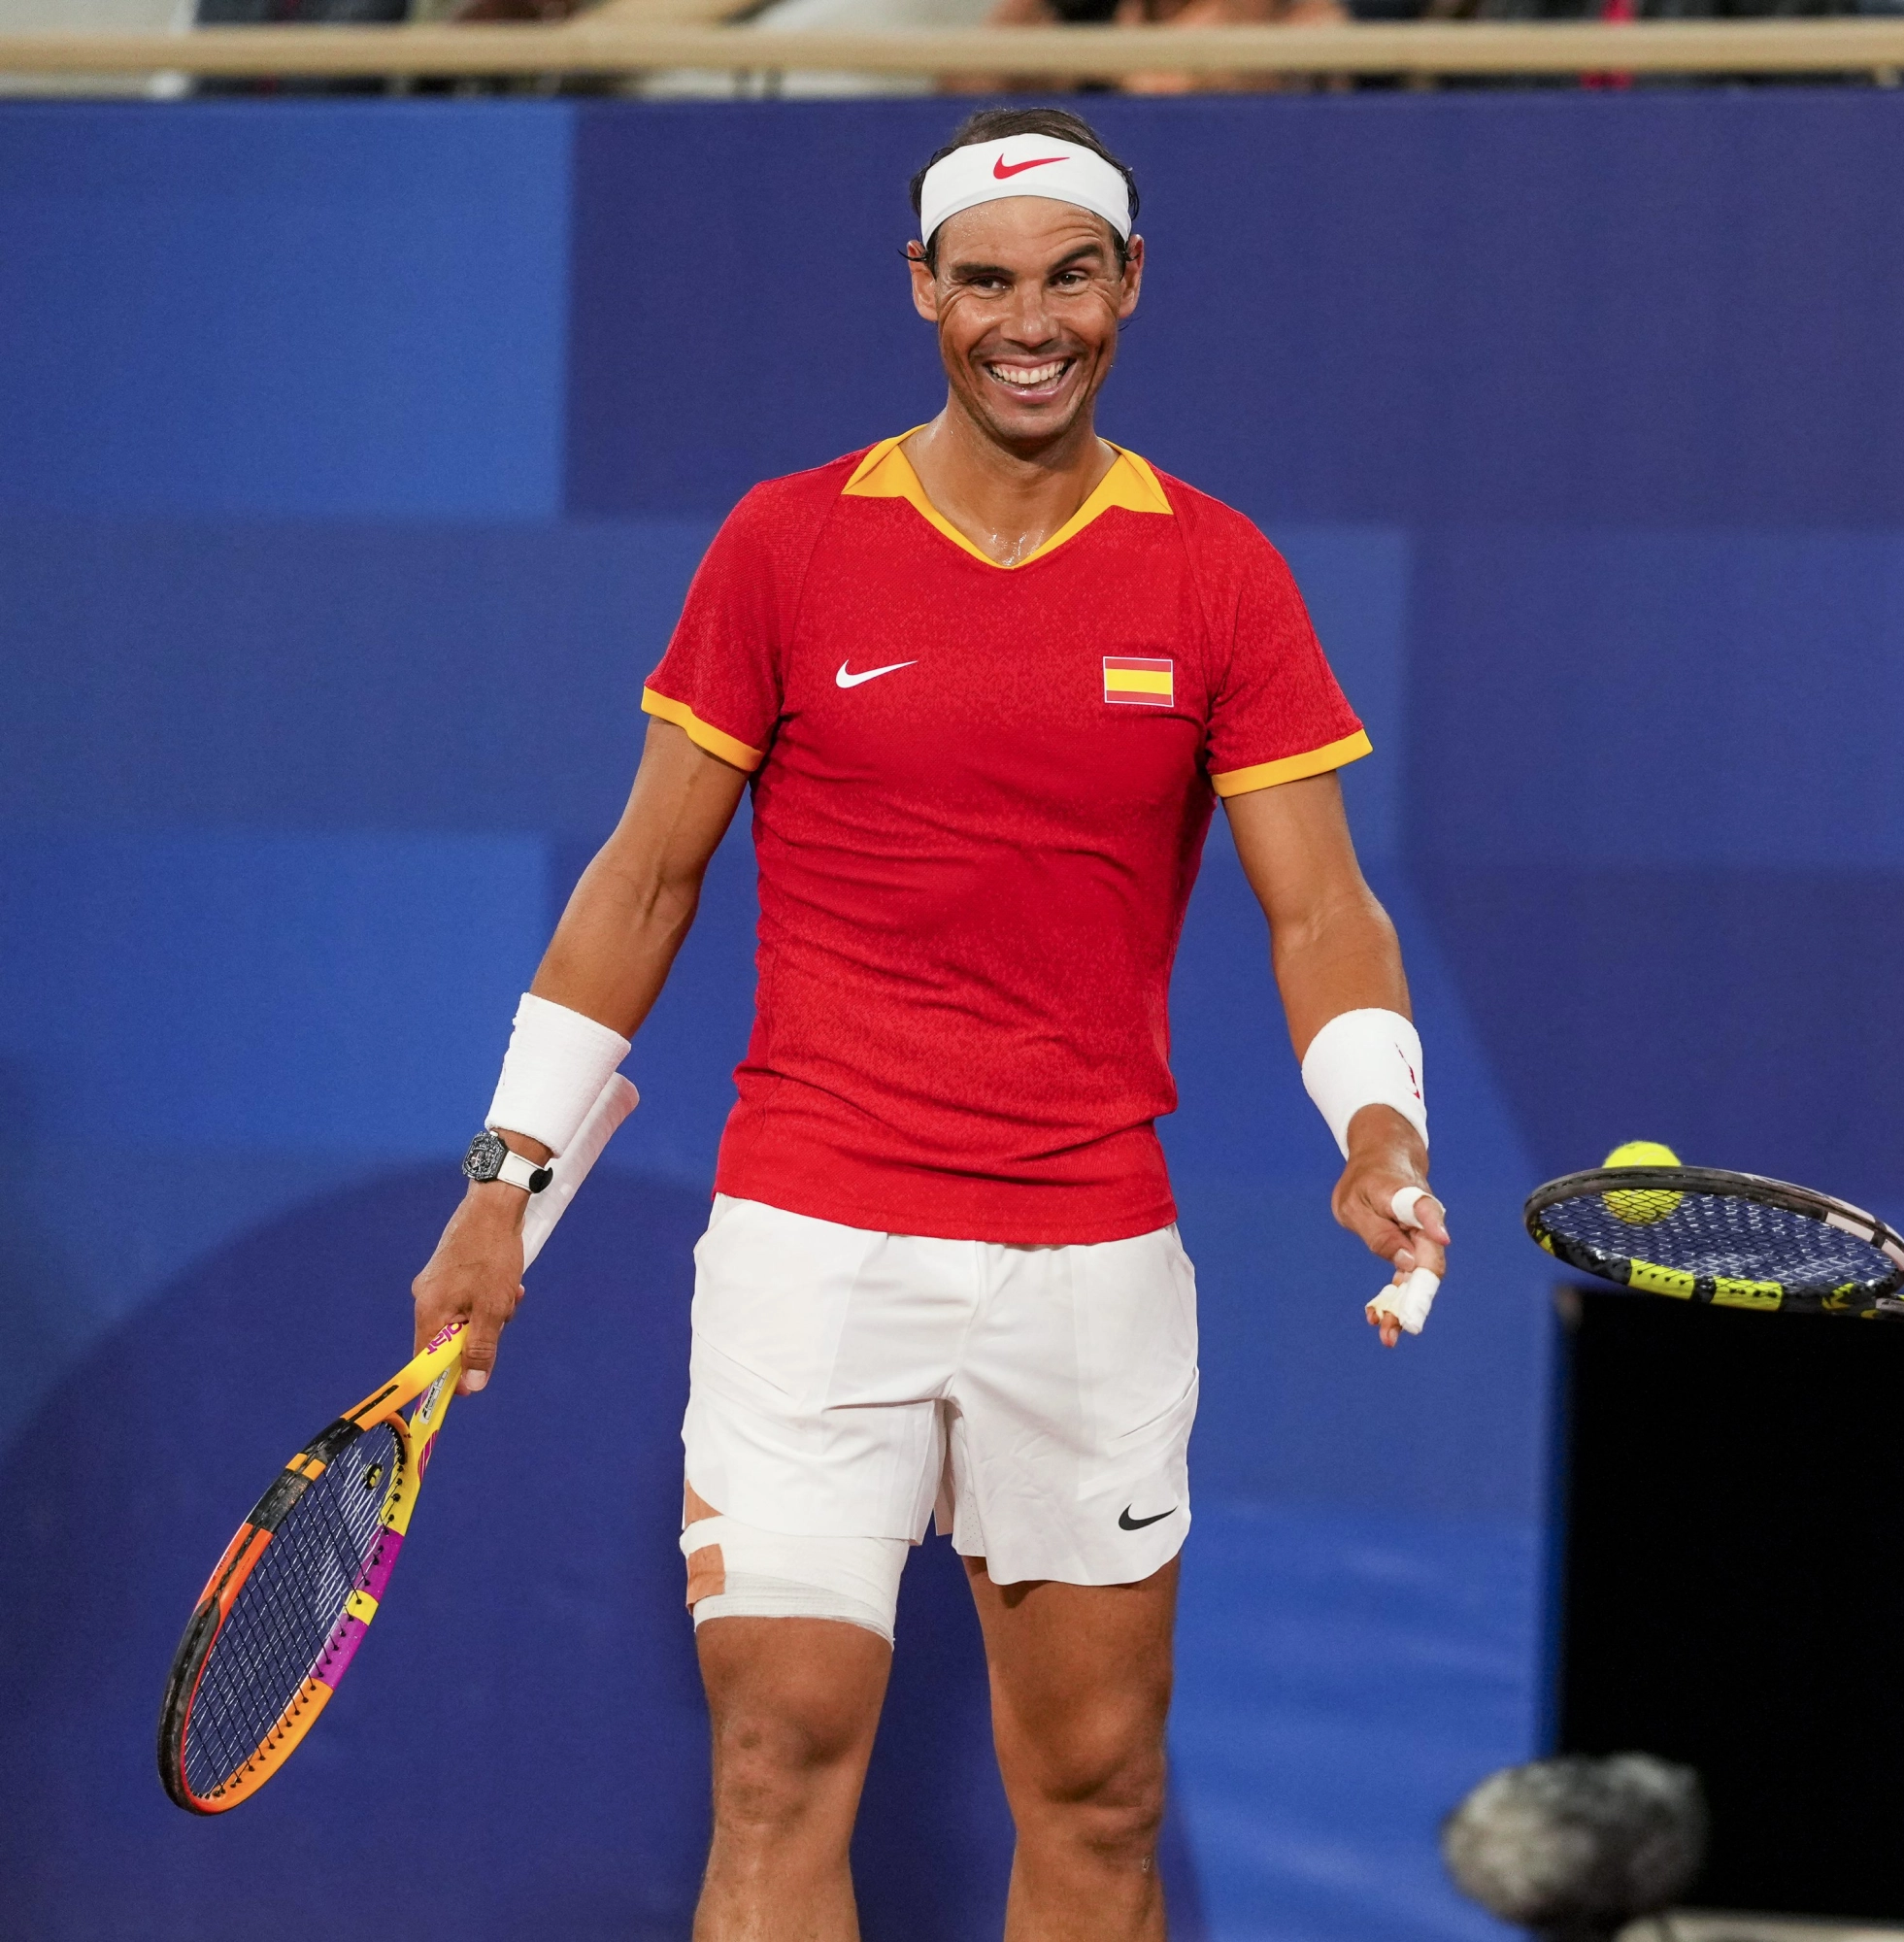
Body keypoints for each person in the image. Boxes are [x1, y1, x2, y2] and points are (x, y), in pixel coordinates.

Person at [406, 105, 1450, 1942]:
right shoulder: (787, 545)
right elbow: (642, 884)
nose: (1025, 320)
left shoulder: (1218, 572)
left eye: (1067, 277)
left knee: (1103, 1796)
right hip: (816, 1240)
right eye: (983, 281)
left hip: (1090, 1258)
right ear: (923, 292)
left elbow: (1322, 907)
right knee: (775, 1758)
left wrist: (1379, 1125)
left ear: (1130, 287)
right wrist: (508, 1184)